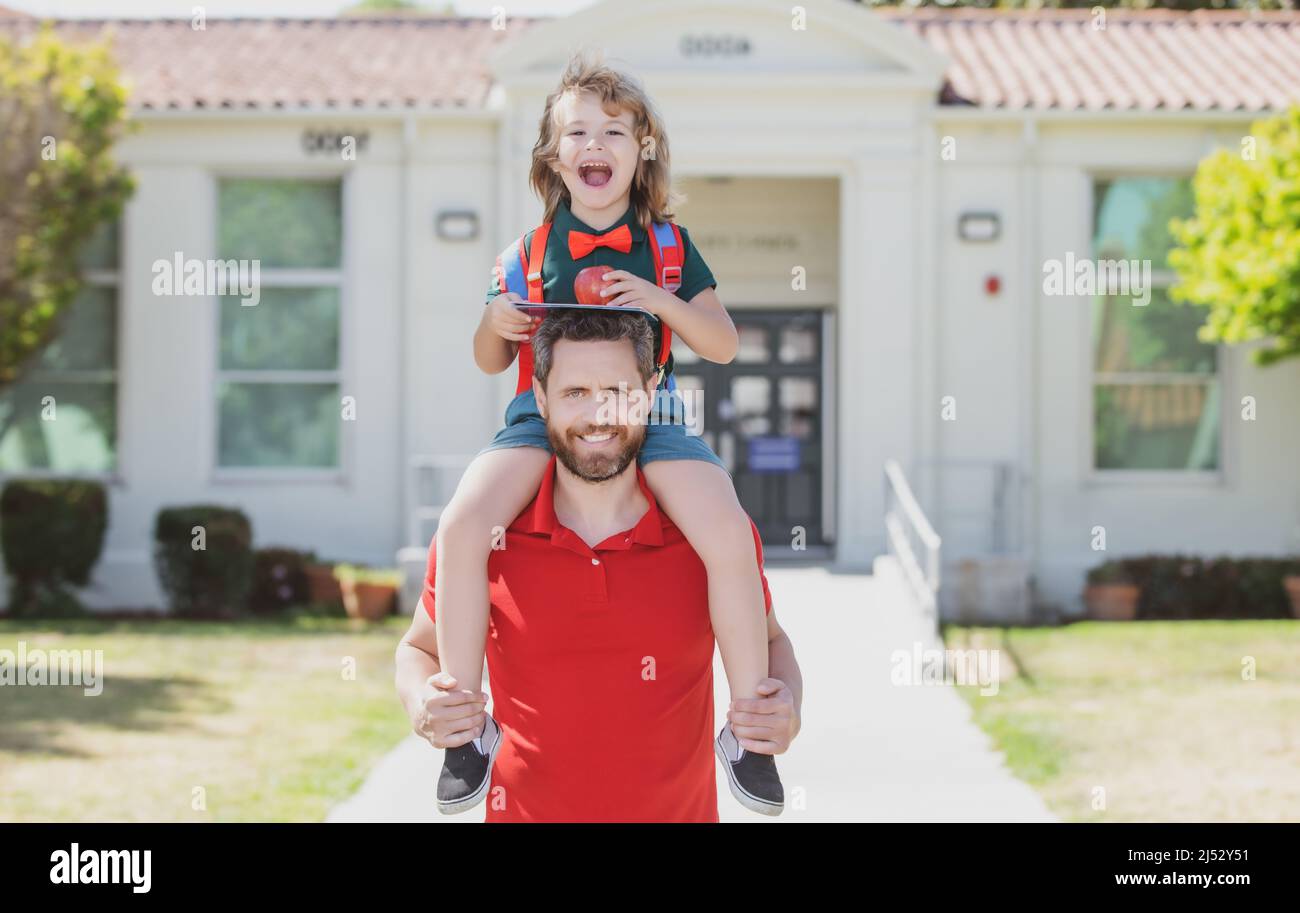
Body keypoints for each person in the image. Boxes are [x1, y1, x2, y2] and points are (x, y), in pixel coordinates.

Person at [429, 50, 784, 814]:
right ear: (554, 156)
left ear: (642, 151)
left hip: (653, 415)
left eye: (616, 132)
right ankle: (465, 731)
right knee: (462, 524)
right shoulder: (523, 254)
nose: (597, 144)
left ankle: (750, 736)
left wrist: (660, 298)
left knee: (725, 524)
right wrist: (492, 321)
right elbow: (492, 360)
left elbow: (720, 342)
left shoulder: (666, 244)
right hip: (539, 418)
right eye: (579, 131)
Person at [396, 309, 803, 821]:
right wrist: (422, 704)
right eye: (574, 394)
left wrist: (784, 707)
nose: (598, 415)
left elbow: (770, 641)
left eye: (617, 392)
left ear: (651, 394)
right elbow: (417, 649)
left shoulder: (708, 535)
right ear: (539, 399)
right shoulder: (486, 536)